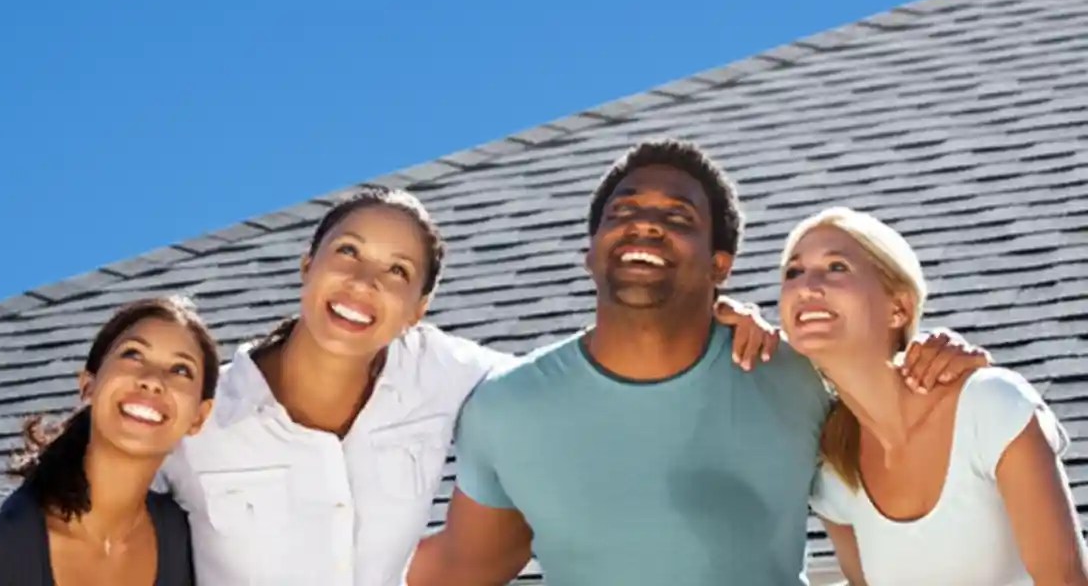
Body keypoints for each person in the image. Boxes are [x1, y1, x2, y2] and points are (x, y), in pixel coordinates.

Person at [407, 139, 990, 586]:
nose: (647, 223)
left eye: (679, 217)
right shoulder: (507, 406)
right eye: (623, 211)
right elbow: (461, 564)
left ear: (720, 266)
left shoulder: (798, 378)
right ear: (590, 254)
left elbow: (919, 478)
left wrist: (942, 365)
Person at [154, 186, 780, 586]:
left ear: (418, 308)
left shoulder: (443, 373)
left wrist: (705, 314)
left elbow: (577, 385)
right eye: (346, 253)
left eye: (396, 271)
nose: (363, 282)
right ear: (306, 268)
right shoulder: (200, 416)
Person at [780, 206, 1087, 585]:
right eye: (793, 272)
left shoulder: (988, 407)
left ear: (899, 308)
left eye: (837, 267)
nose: (807, 285)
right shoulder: (834, 472)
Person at [0, 296, 219, 586]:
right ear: (88, 385)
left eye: (181, 370)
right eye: (133, 355)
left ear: (199, 417)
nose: (152, 380)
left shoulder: (187, 541)